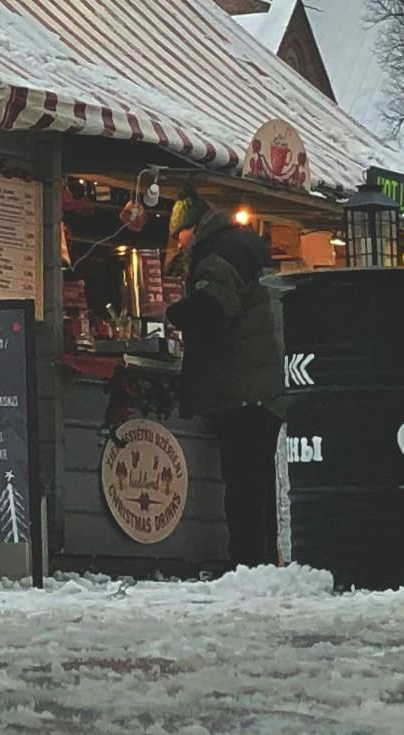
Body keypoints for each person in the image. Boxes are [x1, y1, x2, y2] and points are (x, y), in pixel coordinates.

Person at [166, 200, 284, 568]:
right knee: (261, 481)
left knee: (243, 483)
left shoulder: (218, 252)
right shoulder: (249, 243)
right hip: (266, 384)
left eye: (180, 236)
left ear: (193, 227)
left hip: (239, 384)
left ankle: (247, 563)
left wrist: (174, 313)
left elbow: (213, 307)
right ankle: (263, 559)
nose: (180, 245)